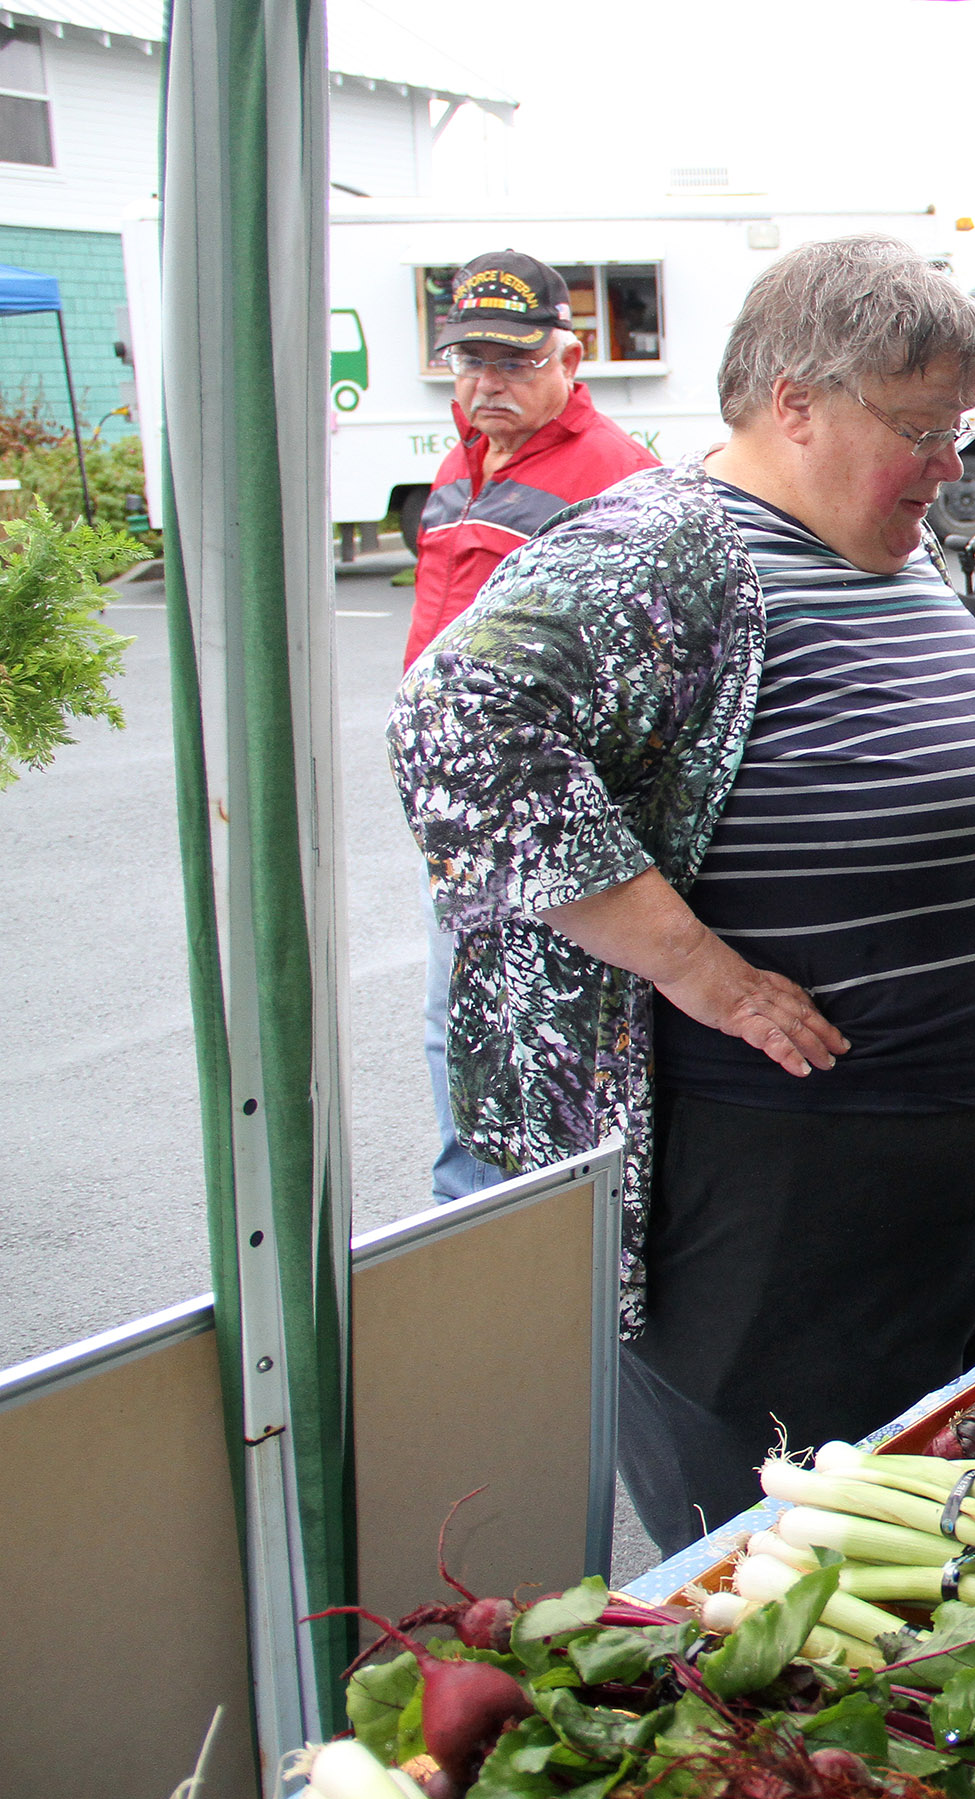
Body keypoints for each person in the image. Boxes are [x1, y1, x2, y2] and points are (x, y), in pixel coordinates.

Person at [390, 237, 975, 1548]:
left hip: (945, 1191)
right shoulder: (665, 544)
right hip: (773, 1219)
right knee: (781, 1558)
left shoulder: (896, 553)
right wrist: (696, 967)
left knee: (902, 1524)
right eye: (927, 430)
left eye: (959, 431)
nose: (952, 468)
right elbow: (459, 726)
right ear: (796, 401)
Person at [403, 249, 658, 1205]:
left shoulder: (616, 475)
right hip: (458, 805)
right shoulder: (463, 462)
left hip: (539, 807)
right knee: (460, 1019)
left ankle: (515, 1228)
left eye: (512, 361)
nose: (486, 383)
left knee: (538, 1029)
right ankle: (480, 1216)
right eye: (468, 361)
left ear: (571, 355)